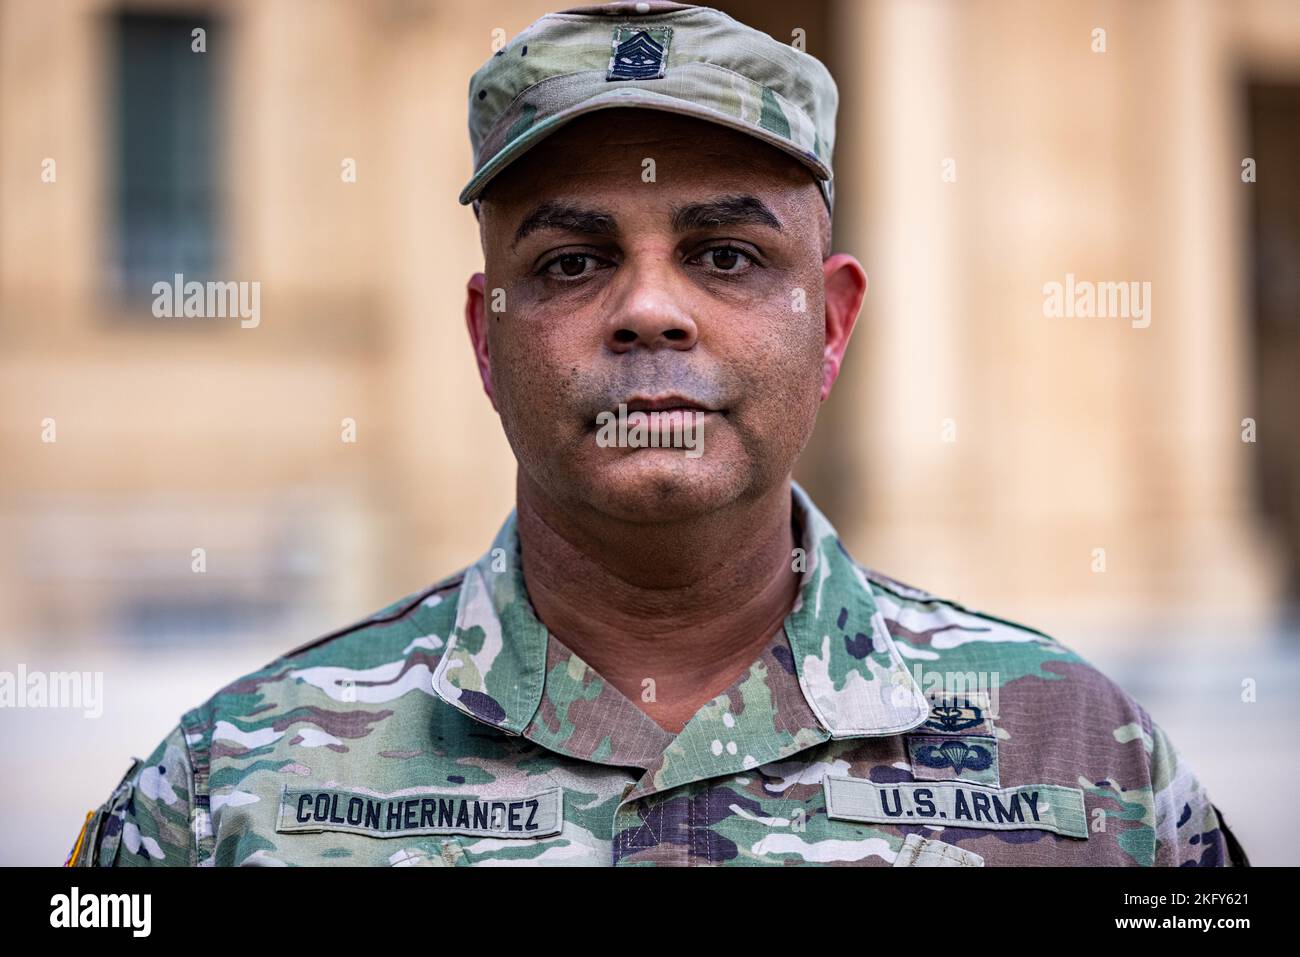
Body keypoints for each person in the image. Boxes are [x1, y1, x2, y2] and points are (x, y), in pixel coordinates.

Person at [67, 0, 1247, 867]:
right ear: (488, 338)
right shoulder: (231, 789)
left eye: (725, 255)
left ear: (831, 324)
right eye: (574, 262)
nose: (647, 308)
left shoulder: (1093, 766)